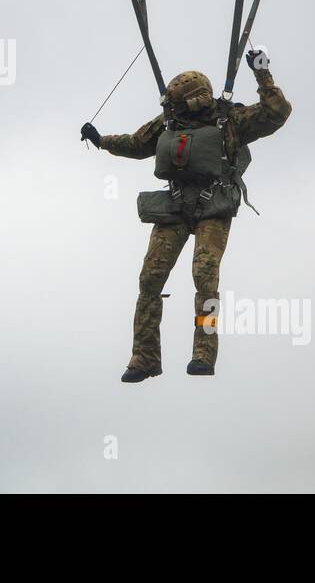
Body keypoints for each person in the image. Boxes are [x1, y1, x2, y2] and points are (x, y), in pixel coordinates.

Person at [80, 47, 291, 381]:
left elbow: (276, 112)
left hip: (214, 205)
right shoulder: (168, 122)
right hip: (176, 205)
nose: (174, 111)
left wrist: (262, 72)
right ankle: (145, 357)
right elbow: (137, 144)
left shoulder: (230, 120)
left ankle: (203, 353)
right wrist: (102, 139)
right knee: (150, 278)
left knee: (204, 276)